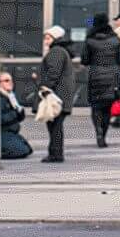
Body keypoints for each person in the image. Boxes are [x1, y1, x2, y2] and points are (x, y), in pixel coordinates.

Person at [80, 14, 120, 148]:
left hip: (95, 76)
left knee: (96, 107)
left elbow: (84, 59)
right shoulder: (115, 39)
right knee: (107, 108)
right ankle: (104, 134)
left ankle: (99, 132)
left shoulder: (90, 40)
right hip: (112, 77)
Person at [35, 24, 75, 162]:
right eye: (45, 38)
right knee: (55, 125)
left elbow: (53, 72)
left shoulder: (56, 51)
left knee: (55, 126)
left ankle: (55, 153)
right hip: (60, 95)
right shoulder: (61, 51)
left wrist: (45, 87)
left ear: (55, 38)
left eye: (48, 38)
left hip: (56, 95)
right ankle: (55, 153)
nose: (45, 41)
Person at [0, 71, 32, 161]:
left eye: (11, 80)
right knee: (20, 151)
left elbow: (18, 118)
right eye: (7, 80)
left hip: (9, 132)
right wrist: (14, 113)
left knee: (28, 149)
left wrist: (19, 111)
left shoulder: (10, 96)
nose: (11, 82)